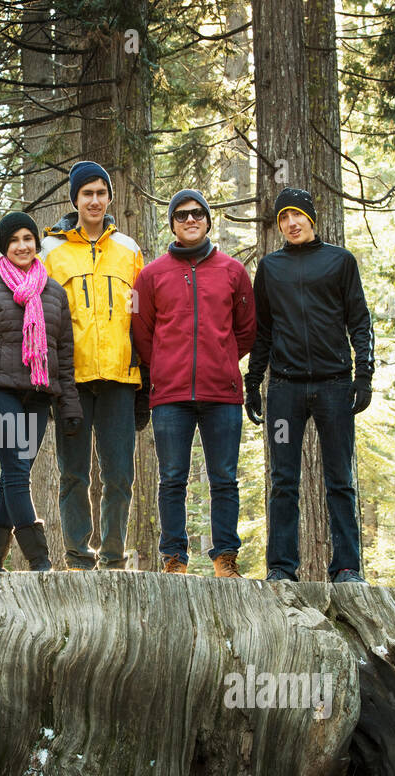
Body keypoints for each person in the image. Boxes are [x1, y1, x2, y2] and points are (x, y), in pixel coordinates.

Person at [244, 187, 374, 583]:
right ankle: (282, 569)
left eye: (297, 216)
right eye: (283, 218)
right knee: (284, 481)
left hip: (334, 388)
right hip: (284, 390)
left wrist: (363, 375)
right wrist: (253, 382)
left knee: (340, 479)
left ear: (312, 219)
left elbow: (360, 321)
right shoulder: (270, 268)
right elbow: (262, 331)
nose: (291, 223)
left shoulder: (340, 261)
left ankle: (347, 568)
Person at [132, 190, 256, 577]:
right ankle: (174, 559)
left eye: (198, 214)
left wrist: (218, 360)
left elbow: (247, 330)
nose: (190, 220)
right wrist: (168, 367)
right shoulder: (151, 275)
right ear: (171, 223)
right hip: (170, 395)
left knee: (224, 478)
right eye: (182, 215)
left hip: (222, 393)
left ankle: (225, 559)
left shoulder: (233, 271)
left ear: (207, 220)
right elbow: (142, 331)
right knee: (172, 479)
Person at [0, 211, 80, 571]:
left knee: (15, 476)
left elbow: (64, 353)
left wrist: (68, 404)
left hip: (39, 395)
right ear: (4, 247)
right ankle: (40, 560)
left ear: (36, 243)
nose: (23, 246)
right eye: (14, 240)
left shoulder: (54, 292)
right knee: (15, 471)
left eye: (28, 238)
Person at [41, 161, 147, 570]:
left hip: (121, 377)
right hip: (72, 380)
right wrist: (49, 378)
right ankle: (78, 556)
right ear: (75, 199)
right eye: (87, 193)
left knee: (119, 475)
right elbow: (42, 317)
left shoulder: (128, 249)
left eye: (101, 192)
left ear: (109, 198)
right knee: (73, 475)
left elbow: (142, 315)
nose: (95, 200)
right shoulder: (51, 250)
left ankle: (114, 557)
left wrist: (145, 381)